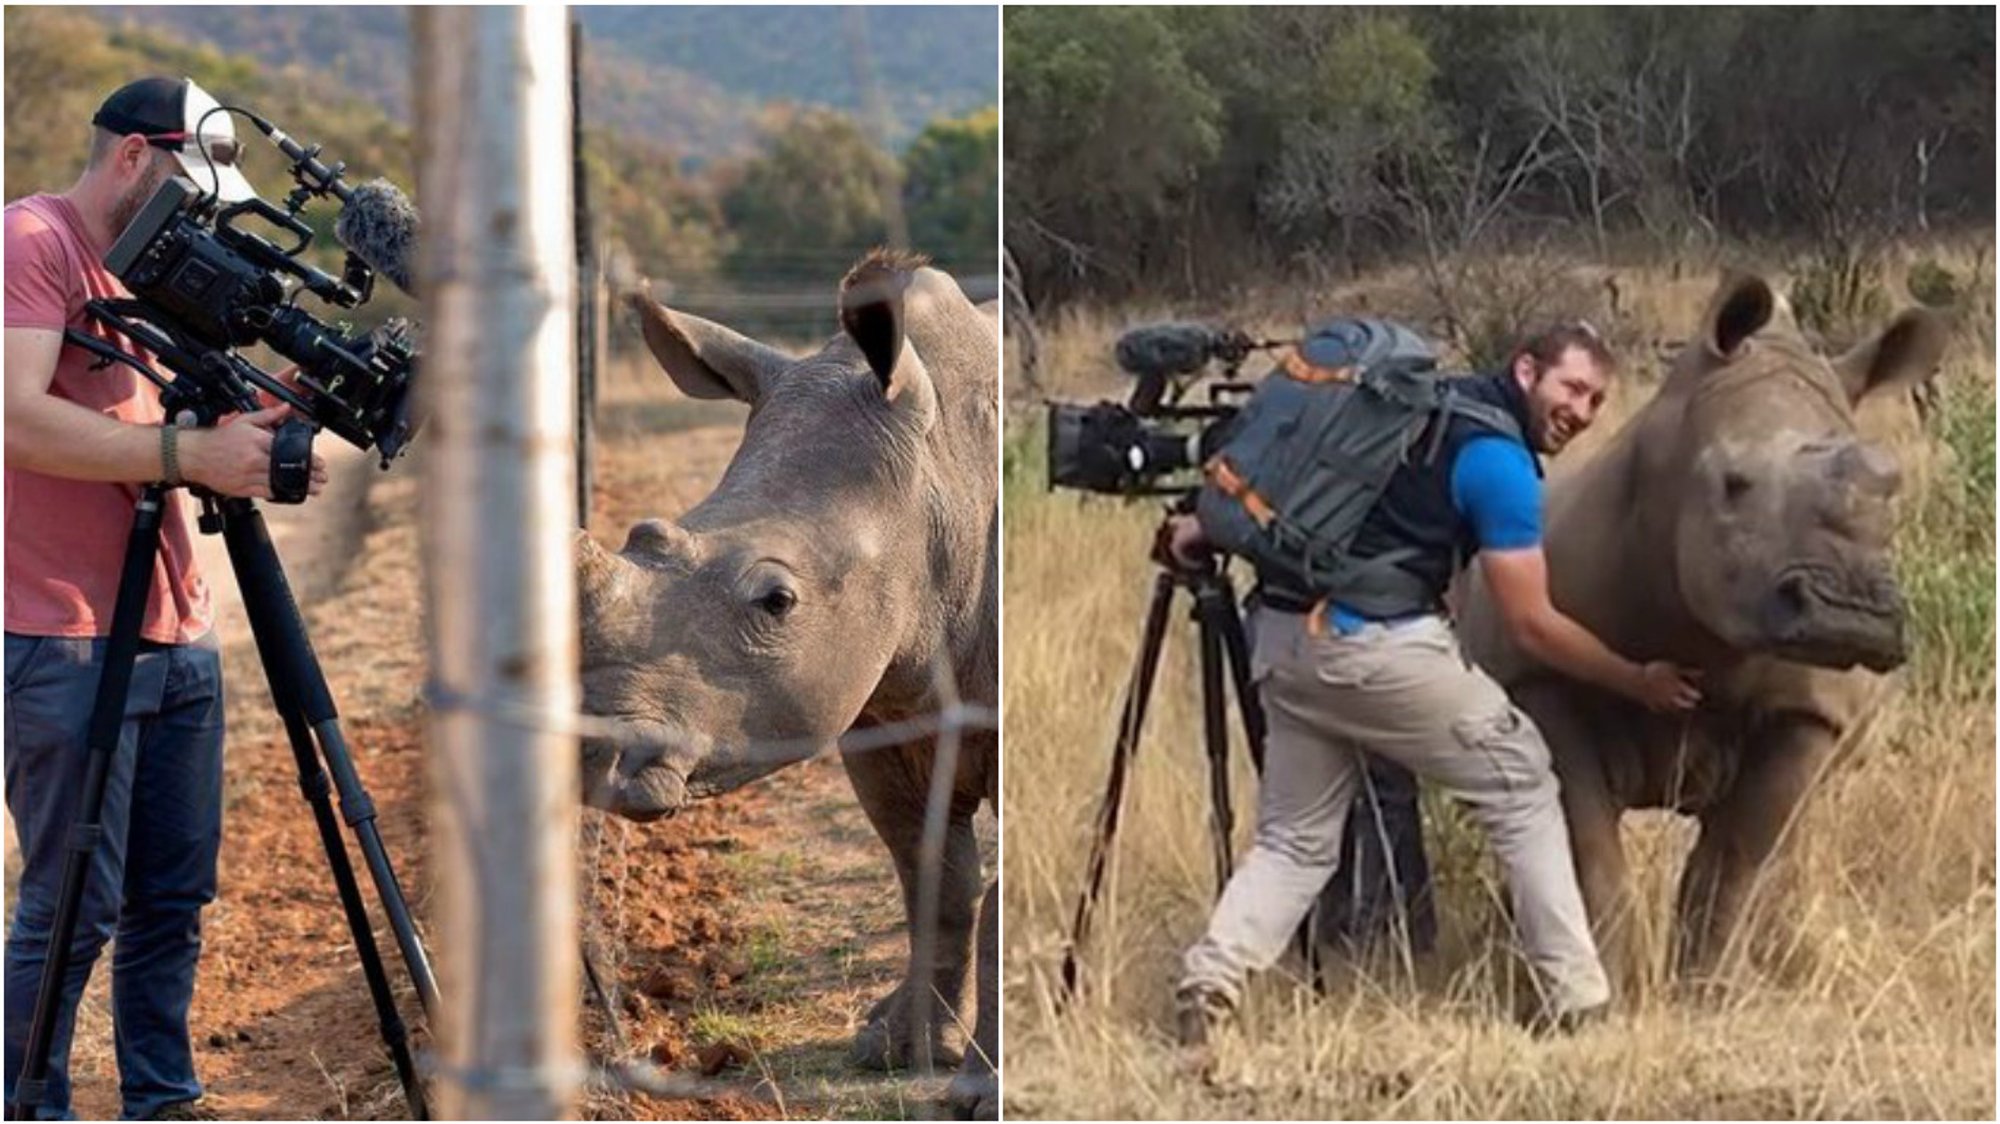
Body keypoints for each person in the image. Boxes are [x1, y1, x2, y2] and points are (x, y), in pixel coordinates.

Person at [1168, 323, 1702, 1062]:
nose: (1581, 412)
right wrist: (1636, 680)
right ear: (1526, 371)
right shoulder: (1499, 463)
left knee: (1294, 842)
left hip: (1284, 641)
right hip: (1373, 646)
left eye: (1597, 400)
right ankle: (1579, 1000)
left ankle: (1210, 982)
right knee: (1520, 779)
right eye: (1572, 388)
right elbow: (1532, 626)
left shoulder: (1413, 409)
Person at [4, 76, 324, 1121]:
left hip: (177, 624)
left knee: (173, 898)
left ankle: (163, 1098)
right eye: (190, 180)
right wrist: (191, 452)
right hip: (61, 630)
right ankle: (27, 1103)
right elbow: (16, 420)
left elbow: (191, 410)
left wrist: (270, 434)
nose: (202, 210)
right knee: (71, 907)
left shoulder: (168, 263)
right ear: (135, 157)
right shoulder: (32, 243)